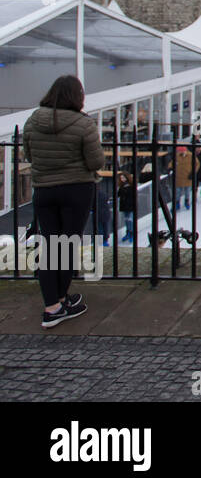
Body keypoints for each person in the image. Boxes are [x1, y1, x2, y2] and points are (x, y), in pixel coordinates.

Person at [22, 75, 105, 328]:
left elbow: (29, 154)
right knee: (67, 245)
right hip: (76, 189)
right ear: (77, 97)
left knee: (49, 246)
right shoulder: (83, 123)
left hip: (44, 189)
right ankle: (58, 302)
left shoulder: (34, 120)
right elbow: (96, 162)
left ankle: (53, 304)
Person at [172, 144, 194, 211]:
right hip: (179, 177)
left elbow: (197, 164)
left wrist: (192, 173)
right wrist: (170, 168)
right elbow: (172, 163)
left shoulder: (190, 156)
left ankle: (186, 202)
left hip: (188, 177)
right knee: (178, 191)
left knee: (187, 191)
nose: (179, 152)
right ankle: (177, 203)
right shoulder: (176, 156)